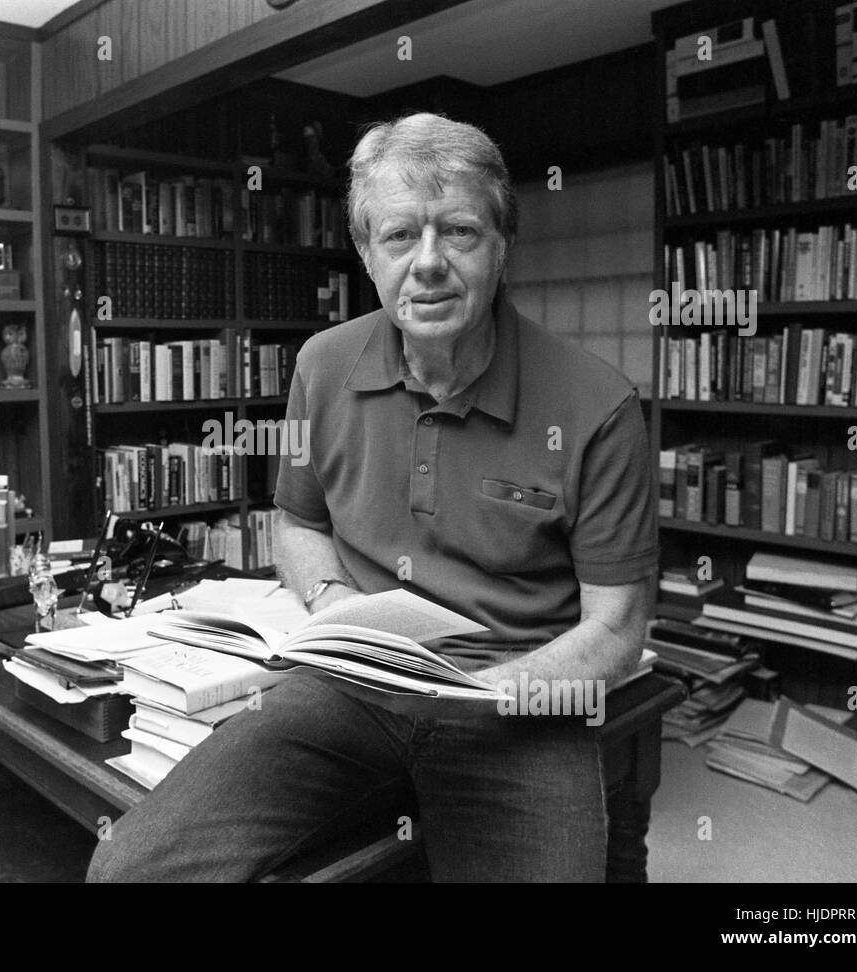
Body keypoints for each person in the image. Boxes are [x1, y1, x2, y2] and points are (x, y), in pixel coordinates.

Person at [87, 113, 657, 882]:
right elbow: (297, 521)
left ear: (502, 244)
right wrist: (334, 607)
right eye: (399, 236)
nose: (429, 263)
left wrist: (482, 695)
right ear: (366, 252)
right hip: (353, 684)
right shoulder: (321, 366)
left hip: (517, 699)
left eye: (459, 230)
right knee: (130, 869)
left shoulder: (599, 404)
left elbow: (616, 629)